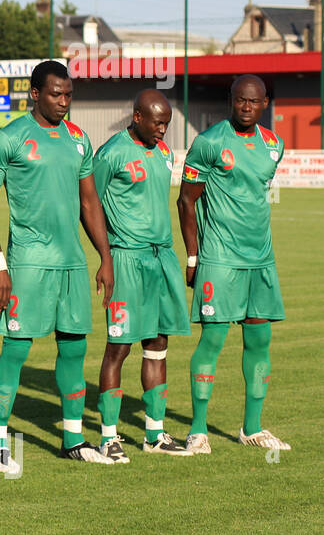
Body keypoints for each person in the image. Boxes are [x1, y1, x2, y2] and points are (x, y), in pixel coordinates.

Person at [0, 60, 115, 472]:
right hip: (28, 263)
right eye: (56, 94)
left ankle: (73, 438)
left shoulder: (78, 139)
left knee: (74, 349)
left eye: (68, 95)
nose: (63, 102)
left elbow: (90, 203)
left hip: (71, 263)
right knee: (16, 350)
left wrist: (104, 257)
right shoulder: (9, 139)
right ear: (35, 94)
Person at [178, 74, 289, 452]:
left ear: (265, 104)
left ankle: (252, 429)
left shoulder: (274, 145)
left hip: (261, 260)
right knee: (212, 341)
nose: (246, 107)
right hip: (220, 260)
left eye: (253, 101)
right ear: (231, 100)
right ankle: (197, 430)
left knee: (260, 341)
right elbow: (186, 201)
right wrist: (193, 256)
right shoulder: (208, 143)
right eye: (240, 100)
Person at [92, 90, 192, 460]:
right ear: (137, 117)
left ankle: (154, 434)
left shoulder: (164, 153)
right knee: (119, 345)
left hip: (161, 259)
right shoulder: (111, 153)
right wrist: (106, 255)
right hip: (126, 260)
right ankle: (108, 436)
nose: (163, 129)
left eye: (167, 122)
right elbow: (89, 205)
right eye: (157, 122)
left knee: (157, 345)